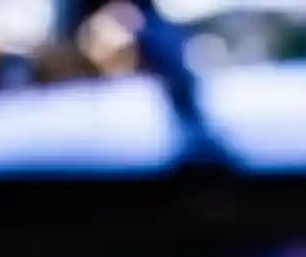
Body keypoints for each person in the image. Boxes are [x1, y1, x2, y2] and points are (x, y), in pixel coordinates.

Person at [64, 0, 231, 169]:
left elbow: (145, 12)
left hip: (137, 16)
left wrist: (128, 15)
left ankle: (197, 131)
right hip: (84, 18)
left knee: (166, 43)